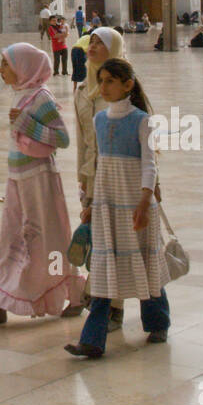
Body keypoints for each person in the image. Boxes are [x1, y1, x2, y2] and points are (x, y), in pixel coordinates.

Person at [0, 43, 85, 324]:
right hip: (17, 178)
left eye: (5, 65)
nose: (0, 70)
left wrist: (25, 123)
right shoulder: (19, 94)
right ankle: (2, 299)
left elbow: (62, 138)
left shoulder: (40, 97)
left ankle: (72, 292)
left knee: (49, 240)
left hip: (40, 179)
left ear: (23, 67)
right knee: (11, 239)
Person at [65, 58, 170, 359]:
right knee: (102, 267)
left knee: (144, 262)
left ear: (128, 85)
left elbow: (149, 163)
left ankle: (158, 322)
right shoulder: (100, 120)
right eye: (102, 80)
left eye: (111, 80)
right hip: (108, 204)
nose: (105, 87)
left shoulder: (141, 120)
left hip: (135, 202)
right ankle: (93, 341)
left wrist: (144, 201)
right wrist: (91, 203)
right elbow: (99, 163)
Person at [73, 26, 127, 327]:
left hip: (120, 174)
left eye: (99, 43)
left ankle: (113, 305)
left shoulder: (126, 86)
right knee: (98, 237)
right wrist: (82, 176)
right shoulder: (83, 89)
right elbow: (82, 139)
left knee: (115, 240)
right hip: (94, 175)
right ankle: (100, 296)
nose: (91, 47)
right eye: (90, 41)